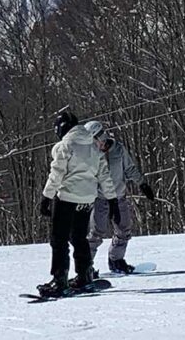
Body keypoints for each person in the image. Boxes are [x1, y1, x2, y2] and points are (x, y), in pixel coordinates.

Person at [37, 107, 108, 298]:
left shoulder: (65, 146)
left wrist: (46, 197)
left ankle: (60, 279)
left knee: (58, 238)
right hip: (87, 198)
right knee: (79, 237)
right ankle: (85, 274)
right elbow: (103, 173)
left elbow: (57, 174)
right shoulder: (93, 146)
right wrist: (111, 197)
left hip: (67, 197)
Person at [90, 128, 156, 274]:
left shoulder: (118, 149)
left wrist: (142, 184)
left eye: (94, 141)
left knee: (123, 229)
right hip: (99, 199)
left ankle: (116, 260)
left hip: (119, 197)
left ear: (101, 138)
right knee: (95, 233)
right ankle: (85, 267)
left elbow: (130, 169)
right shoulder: (90, 154)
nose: (93, 145)